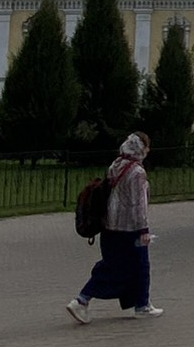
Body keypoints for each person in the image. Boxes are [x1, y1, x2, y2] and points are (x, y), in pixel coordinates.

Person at [67, 132, 163, 322]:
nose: (148, 150)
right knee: (140, 266)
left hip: (109, 225)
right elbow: (138, 204)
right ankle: (140, 305)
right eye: (146, 146)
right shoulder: (137, 172)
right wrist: (144, 230)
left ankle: (86, 300)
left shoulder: (116, 165)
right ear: (141, 148)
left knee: (112, 265)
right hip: (130, 228)